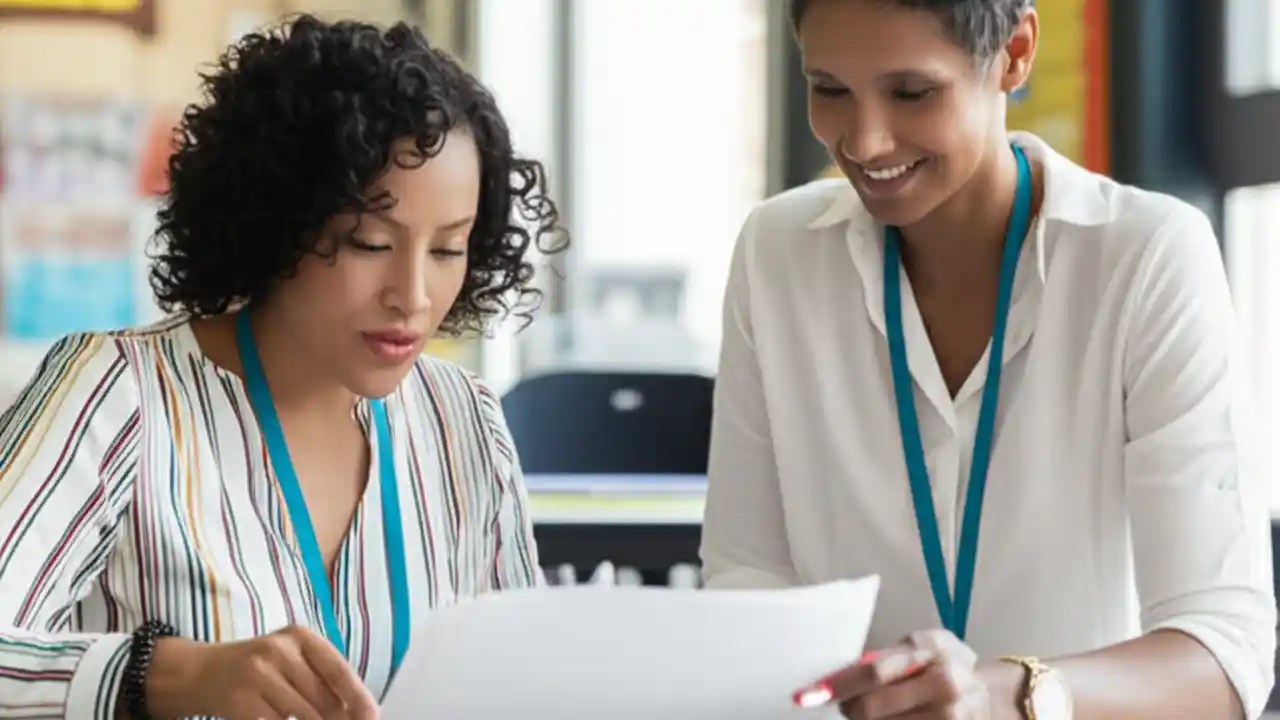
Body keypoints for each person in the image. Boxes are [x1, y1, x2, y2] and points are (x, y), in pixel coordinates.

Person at [700, 1, 1275, 718]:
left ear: (1015, 53)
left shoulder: (1148, 255)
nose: (866, 141)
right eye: (830, 90)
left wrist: (1003, 696)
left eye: (912, 92)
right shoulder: (777, 252)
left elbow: (1222, 657)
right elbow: (746, 577)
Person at [0, 15, 561, 720]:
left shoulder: (463, 422)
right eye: (368, 243)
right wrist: (168, 674)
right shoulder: (118, 396)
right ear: (276, 221)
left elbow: (525, 684)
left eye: (448, 250)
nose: (413, 296)